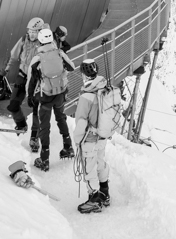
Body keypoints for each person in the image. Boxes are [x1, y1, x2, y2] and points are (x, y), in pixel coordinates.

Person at [26, 27, 76, 171]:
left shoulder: (37, 59)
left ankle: (44, 159)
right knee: (61, 119)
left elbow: (31, 81)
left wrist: (30, 96)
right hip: (60, 94)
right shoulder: (60, 53)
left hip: (45, 96)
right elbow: (72, 67)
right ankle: (68, 147)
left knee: (44, 126)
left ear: (40, 41)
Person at [73, 59, 111, 213]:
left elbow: (81, 122)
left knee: (89, 169)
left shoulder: (86, 96)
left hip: (89, 139)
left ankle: (94, 199)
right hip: (102, 136)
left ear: (84, 75)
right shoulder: (105, 89)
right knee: (100, 164)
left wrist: (77, 140)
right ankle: (105, 193)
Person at [3, 17, 46, 149]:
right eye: (30, 31)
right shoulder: (23, 40)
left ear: (40, 31)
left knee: (35, 108)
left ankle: (34, 137)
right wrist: (5, 70)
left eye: (34, 31)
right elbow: (14, 56)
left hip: (36, 79)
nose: (31, 34)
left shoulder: (45, 44)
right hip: (22, 75)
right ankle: (21, 124)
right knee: (13, 104)